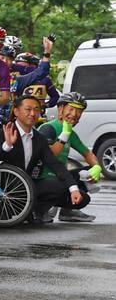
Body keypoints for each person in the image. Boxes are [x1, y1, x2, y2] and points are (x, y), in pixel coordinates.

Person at [0, 93, 88, 224]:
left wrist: (73, 188)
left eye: (36, 110)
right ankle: (20, 210)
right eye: (28, 109)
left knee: (81, 196)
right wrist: (8, 145)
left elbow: (54, 163)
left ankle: (35, 210)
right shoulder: (3, 131)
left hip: (26, 187)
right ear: (16, 111)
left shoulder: (39, 138)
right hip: (2, 189)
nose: (33, 113)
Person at [37, 92, 103, 222]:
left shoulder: (71, 132)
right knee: (75, 190)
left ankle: (68, 211)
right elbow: (50, 156)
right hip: (42, 179)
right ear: (60, 109)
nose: (74, 114)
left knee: (87, 174)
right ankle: (40, 209)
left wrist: (97, 168)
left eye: (79, 111)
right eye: (71, 109)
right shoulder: (48, 128)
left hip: (59, 177)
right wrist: (64, 135)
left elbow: (87, 154)